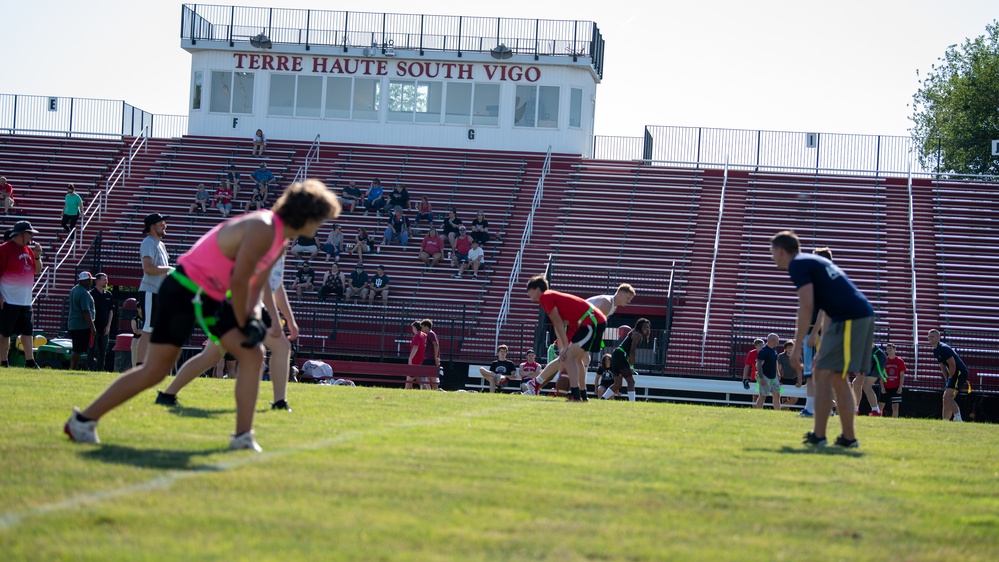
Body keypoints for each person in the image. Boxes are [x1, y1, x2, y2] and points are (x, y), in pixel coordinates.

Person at [65, 179, 341, 451]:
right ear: (306, 216)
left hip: (211, 296)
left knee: (253, 355)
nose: (318, 227)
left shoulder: (277, 239)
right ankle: (83, 419)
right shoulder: (264, 228)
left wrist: (254, 318)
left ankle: (243, 436)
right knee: (155, 371)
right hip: (185, 289)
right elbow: (243, 277)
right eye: (319, 220)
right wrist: (248, 321)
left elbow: (256, 284)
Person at [156, 254, 299, 412]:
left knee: (211, 356)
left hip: (247, 302)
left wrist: (290, 320)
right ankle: (276, 404)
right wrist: (273, 317)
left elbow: (276, 285)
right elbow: (262, 284)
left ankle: (167, 394)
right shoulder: (267, 239)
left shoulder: (281, 245)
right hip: (241, 302)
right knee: (277, 348)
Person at [771, 230, 873, 449]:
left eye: (773, 253)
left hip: (850, 318)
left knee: (833, 376)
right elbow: (825, 306)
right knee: (827, 374)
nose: (772, 258)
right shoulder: (810, 260)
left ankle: (836, 436)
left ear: (781, 251)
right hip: (848, 318)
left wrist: (796, 347)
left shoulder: (798, 264)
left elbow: (807, 306)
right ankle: (837, 436)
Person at [527, 283, 637, 395]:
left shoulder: (612, 305)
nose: (629, 301)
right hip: (576, 326)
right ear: (621, 293)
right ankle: (539, 383)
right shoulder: (607, 303)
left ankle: (576, 390)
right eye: (628, 298)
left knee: (582, 360)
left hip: (577, 325)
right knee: (570, 358)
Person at [527, 275, 607, 402]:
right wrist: (563, 345)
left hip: (590, 322)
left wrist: (565, 346)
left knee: (570, 357)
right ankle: (582, 395)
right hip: (592, 321)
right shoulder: (550, 296)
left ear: (537, 289)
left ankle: (576, 395)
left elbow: (558, 322)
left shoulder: (545, 297)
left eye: (529, 290)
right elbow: (560, 322)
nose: (528, 293)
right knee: (577, 359)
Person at [798, 246, 835, 418]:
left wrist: (813, 333)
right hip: (823, 333)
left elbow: (822, 309)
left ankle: (810, 409)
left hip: (816, 332)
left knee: (811, 374)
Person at [0, 221, 43, 368]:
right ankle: (3, 361)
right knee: (5, 332)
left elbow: (37, 271)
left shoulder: (28, 250)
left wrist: (37, 257)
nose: (31, 236)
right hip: (8, 299)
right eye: (29, 233)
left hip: (25, 300)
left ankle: (30, 361)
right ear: (20, 234)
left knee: (27, 332)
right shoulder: (4, 249)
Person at [135, 212, 172, 366]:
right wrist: (170, 269)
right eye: (161, 223)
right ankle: (139, 367)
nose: (165, 226)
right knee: (148, 330)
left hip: (159, 293)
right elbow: (148, 268)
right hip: (150, 291)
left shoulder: (160, 244)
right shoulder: (149, 242)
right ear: (152, 227)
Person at [928, 329, 971, 422]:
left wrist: (951, 377)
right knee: (945, 399)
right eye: (929, 336)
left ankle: (958, 419)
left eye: (932, 336)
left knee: (948, 397)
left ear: (938, 338)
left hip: (959, 373)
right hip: (954, 374)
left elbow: (952, 364)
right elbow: (942, 366)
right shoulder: (935, 350)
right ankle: (945, 422)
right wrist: (947, 379)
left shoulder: (943, 348)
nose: (930, 338)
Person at [67, 272, 97, 371]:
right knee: (78, 349)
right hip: (81, 325)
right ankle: (73, 368)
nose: (91, 282)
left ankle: (73, 367)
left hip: (73, 323)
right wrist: (92, 327)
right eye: (89, 280)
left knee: (76, 348)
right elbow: (86, 311)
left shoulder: (74, 289)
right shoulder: (84, 293)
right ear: (84, 281)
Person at [89, 272, 113, 371]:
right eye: (104, 279)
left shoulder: (108, 294)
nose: (106, 281)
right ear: (97, 281)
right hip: (94, 327)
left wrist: (108, 326)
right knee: (92, 350)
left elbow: (111, 311)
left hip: (104, 328)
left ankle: (100, 370)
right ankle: (89, 369)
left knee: (103, 351)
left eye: (106, 279)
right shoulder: (91, 294)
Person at [855, 344, 887, 416]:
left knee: (866, 385)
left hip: (877, 358)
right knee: (856, 383)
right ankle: (855, 409)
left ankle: (876, 411)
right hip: (869, 359)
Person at [754, 333, 782, 410]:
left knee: (777, 395)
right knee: (763, 396)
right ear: (772, 341)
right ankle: (758, 412)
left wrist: (778, 373)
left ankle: (778, 412)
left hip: (774, 376)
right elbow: (759, 365)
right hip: (765, 376)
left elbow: (775, 361)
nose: (778, 342)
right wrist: (761, 377)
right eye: (777, 340)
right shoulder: (763, 351)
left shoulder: (774, 349)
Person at [878, 343, 906, 418]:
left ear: (895, 349)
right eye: (887, 348)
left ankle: (894, 421)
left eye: (891, 348)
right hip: (886, 386)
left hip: (895, 387)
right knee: (881, 405)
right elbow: (881, 375)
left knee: (895, 406)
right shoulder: (884, 360)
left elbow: (902, 375)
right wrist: (882, 387)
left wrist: (900, 387)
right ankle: (877, 419)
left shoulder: (900, 361)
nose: (889, 350)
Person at [777, 340, 801, 408]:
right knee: (784, 399)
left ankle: (779, 408)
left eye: (792, 347)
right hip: (783, 379)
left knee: (794, 399)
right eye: (789, 347)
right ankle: (783, 415)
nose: (790, 349)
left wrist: (799, 382)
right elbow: (779, 369)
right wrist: (778, 380)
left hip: (793, 380)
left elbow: (799, 371)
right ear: (785, 348)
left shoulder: (798, 357)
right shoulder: (781, 356)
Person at [405, 320, 428, 390]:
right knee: (419, 379)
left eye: (413, 327)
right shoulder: (424, 335)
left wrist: (410, 358)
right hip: (422, 359)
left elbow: (415, 347)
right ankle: (427, 391)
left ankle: (406, 391)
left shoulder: (417, 336)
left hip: (415, 360)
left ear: (415, 328)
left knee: (409, 378)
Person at [420, 318, 441, 390]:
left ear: (426, 327)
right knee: (428, 378)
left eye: (422, 327)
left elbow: (436, 344)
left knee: (431, 379)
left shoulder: (430, 334)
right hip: (428, 359)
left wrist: (435, 357)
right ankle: (431, 391)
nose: (422, 330)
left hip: (430, 359)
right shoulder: (430, 334)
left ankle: (433, 391)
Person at [129, 299, 143, 368]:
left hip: (145, 341)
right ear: (138, 308)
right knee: (135, 361)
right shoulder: (134, 319)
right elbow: (136, 331)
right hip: (136, 340)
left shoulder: (147, 319)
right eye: (141, 307)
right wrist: (146, 331)